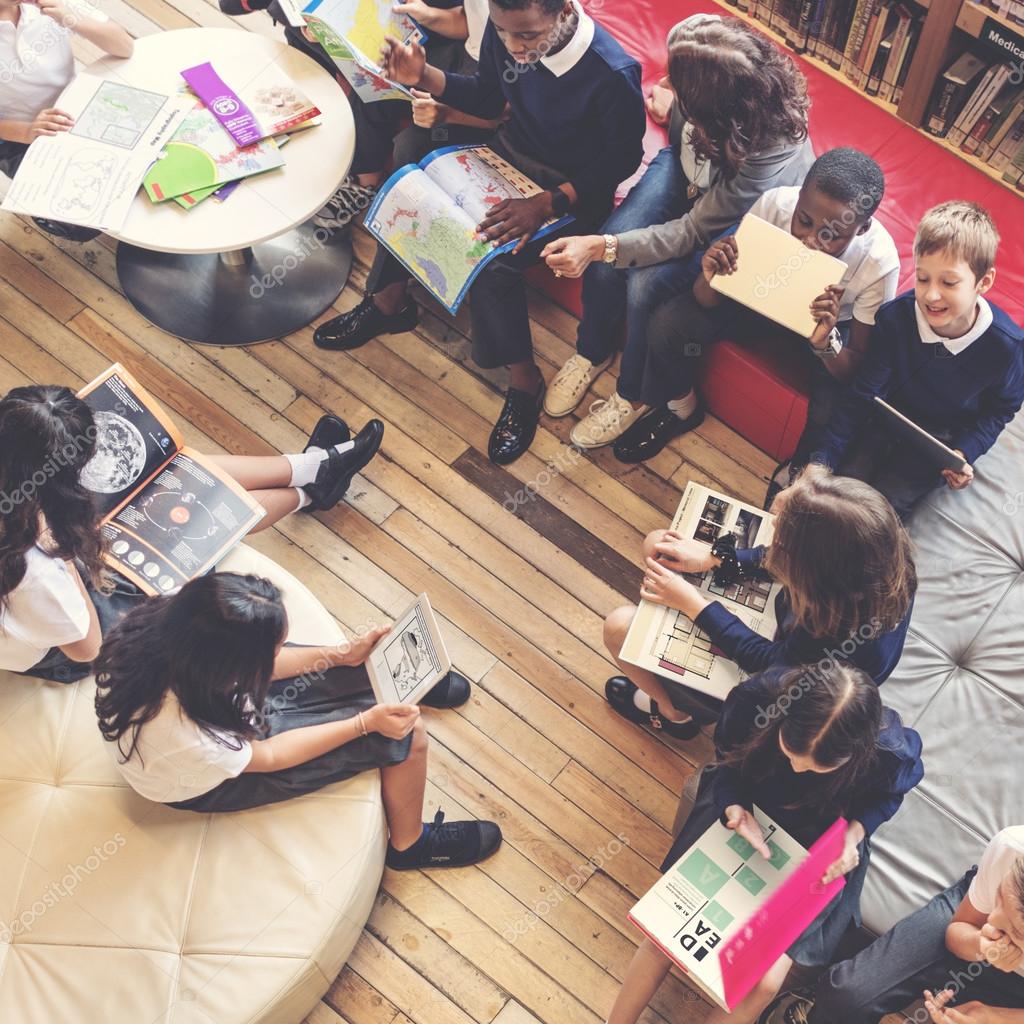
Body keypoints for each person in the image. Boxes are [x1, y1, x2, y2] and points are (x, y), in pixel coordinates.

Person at [312, 0, 646, 465]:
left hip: (567, 191)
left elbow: (620, 163)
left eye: (527, 36)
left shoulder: (612, 73)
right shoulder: (507, 25)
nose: (515, 47)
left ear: (565, 11)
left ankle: (525, 381)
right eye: (506, 34)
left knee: (495, 259)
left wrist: (546, 203)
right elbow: (490, 96)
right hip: (506, 152)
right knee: (411, 159)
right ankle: (390, 301)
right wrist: (423, 74)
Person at [93, 572, 503, 873]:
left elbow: (268, 665)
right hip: (223, 772)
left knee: (355, 666)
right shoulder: (188, 735)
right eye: (270, 650)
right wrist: (363, 724)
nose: (280, 650)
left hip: (219, 708)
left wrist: (342, 654)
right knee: (409, 737)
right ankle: (410, 845)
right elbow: (269, 757)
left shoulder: (175, 619)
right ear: (234, 668)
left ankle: (404, 682)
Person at [539, 13, 814, 451]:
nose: (670, 81)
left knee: (646, 282)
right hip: (685, 169)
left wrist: (599, 246)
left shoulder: (771, 150)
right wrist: (670, 102)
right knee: (615, 245)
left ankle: (633, 395)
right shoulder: (705, 57)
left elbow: (690, 231)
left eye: (682, 86)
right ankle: (591, 351)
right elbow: (675, 88)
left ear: (718, 108)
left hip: (735, 216)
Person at [605, 662, 924, 1024]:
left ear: (856, 752)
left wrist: (854, 834)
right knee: (665, 932)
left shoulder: (890, 752)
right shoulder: (757, 699)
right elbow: (726, 760)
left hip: (822, 843)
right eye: (790, 753)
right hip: (747, 804)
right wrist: (734, 807)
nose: (800, 769)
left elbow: (886, 798)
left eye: (817, 766)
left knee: (766, 983)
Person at [0, 384, 382, 682]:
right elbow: (86, 649)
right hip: (60, 648)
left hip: (39, 581)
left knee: (170, 474)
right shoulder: (37, 574)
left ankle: (311, 470)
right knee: (184, 525)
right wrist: (65, 555)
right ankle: (310, 487)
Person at [609, 148, 901, 469]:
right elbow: (706, 300)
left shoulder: (879, 264)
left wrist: (825, 341)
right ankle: (681, 409)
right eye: (804, 221)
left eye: (832, 236)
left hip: (827, 327)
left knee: (831, 407)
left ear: (862, 228)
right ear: (800, 193)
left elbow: (854, 364)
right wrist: (710, 278)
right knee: (669, 324)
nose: (810, 240)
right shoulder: (775, 204)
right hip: (763, 294)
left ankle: (799, 478)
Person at [602, 465, 915, 739]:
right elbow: (778, 559)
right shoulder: (876, 559)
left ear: (810, 570)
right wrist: (715, 559)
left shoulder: (835, 629)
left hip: (783, 693)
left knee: (619, 628)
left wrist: (694, 604)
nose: (771, 536)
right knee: (658, 543)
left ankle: (675, 716)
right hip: (792, 643)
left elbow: (769, 662)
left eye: (779, 536)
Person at [814, 200, 1024, 520]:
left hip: (938, 443)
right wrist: (820, 463)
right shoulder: (895, 319)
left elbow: (1000, 409)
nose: (930, 295)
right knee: (842, 490)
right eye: (923, 278)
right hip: (884, 421)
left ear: (983, 283)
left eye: (949, 282)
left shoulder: (1007, 348)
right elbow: (861, 394)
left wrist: (965, 452)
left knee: (886, 507)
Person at [218, 0, 497, 230]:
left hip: (441, 49)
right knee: (296, 26)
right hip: (405, 18)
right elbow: (467, 18)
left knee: (373, 75)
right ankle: (314, 123)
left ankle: (366, 179)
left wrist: (422, 17)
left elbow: (467, 28)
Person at [764, 827, 1024, 1024]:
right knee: (848, 995)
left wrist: (994, 1016)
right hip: (970, 922)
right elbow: (960, 929)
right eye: (1000, 896)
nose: (995, 921)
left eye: (1016, 929)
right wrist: (978, 944)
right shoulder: (1012, 848)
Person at [0, 0, 134, 241]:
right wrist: (27, 131)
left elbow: (124, 46)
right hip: (19, 137)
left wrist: (71, 17)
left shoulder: (47, 5)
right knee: (81, 219)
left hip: (78, 108)